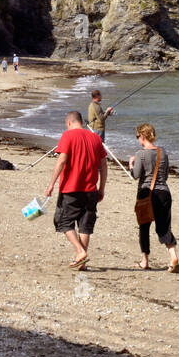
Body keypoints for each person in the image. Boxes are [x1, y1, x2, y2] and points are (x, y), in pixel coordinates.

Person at [44, 111, 108, 270]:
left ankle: (80, 251)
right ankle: (82, 262)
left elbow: (62, 160)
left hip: (71, 189)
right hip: (91, 189)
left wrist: (51, 184)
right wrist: (102, 188)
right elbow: (104, 166)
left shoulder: (68, 135)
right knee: (85, 225)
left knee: (63, 221)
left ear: (69, 123)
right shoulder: (96, 138)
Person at [129, 123, 179, 272]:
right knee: (164, 226)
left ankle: (145, 261)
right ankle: (173, 256)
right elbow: (165, 176)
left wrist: (131, 164)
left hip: (147, 193)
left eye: (138, 136)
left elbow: (136, 175)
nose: (138, 139)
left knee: (144, 227)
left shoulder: (140, 154)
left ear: (143, 136)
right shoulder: (162, 153)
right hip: (164, 193)